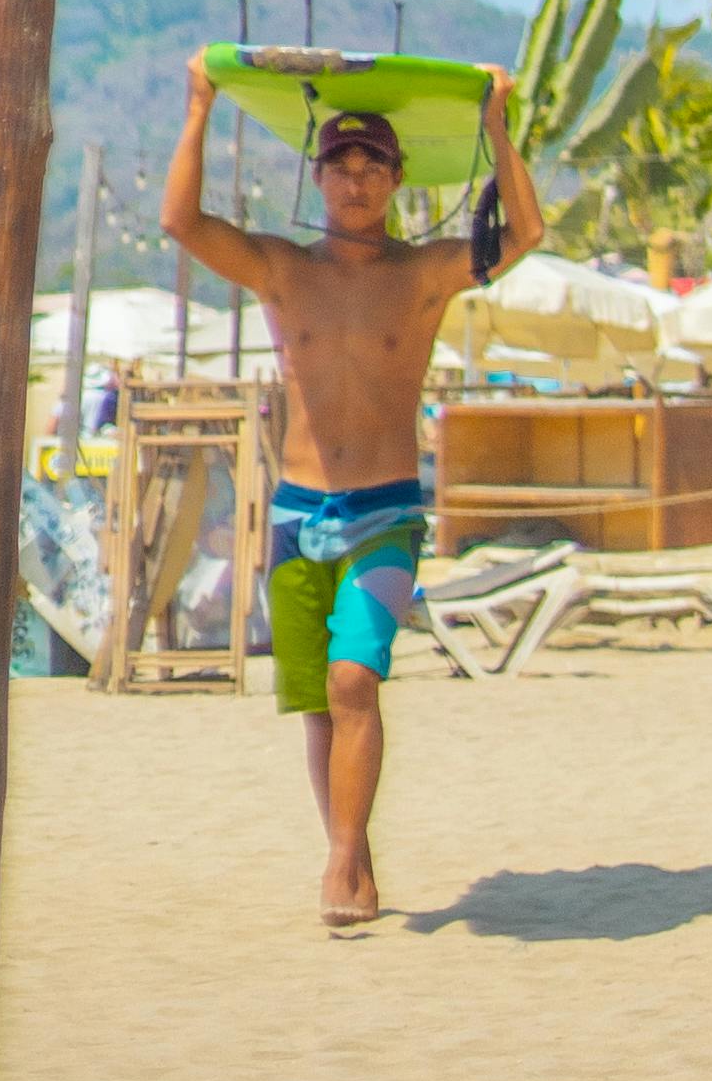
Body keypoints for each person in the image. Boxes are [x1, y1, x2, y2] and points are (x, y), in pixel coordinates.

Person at [164, 52, 539, 928]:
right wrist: (197, 103)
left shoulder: (426, 272)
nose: (358, 179)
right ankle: (355, 852)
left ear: (399, 179)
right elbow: (180, 221)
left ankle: (339, 861)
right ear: (319, 177)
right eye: (342, 163)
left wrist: (495, 123)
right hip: (296, 516)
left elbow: (524, 236)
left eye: (375, 164)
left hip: (385, 514)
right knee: (317, 709)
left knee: (353, 682)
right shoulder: (281, 269)